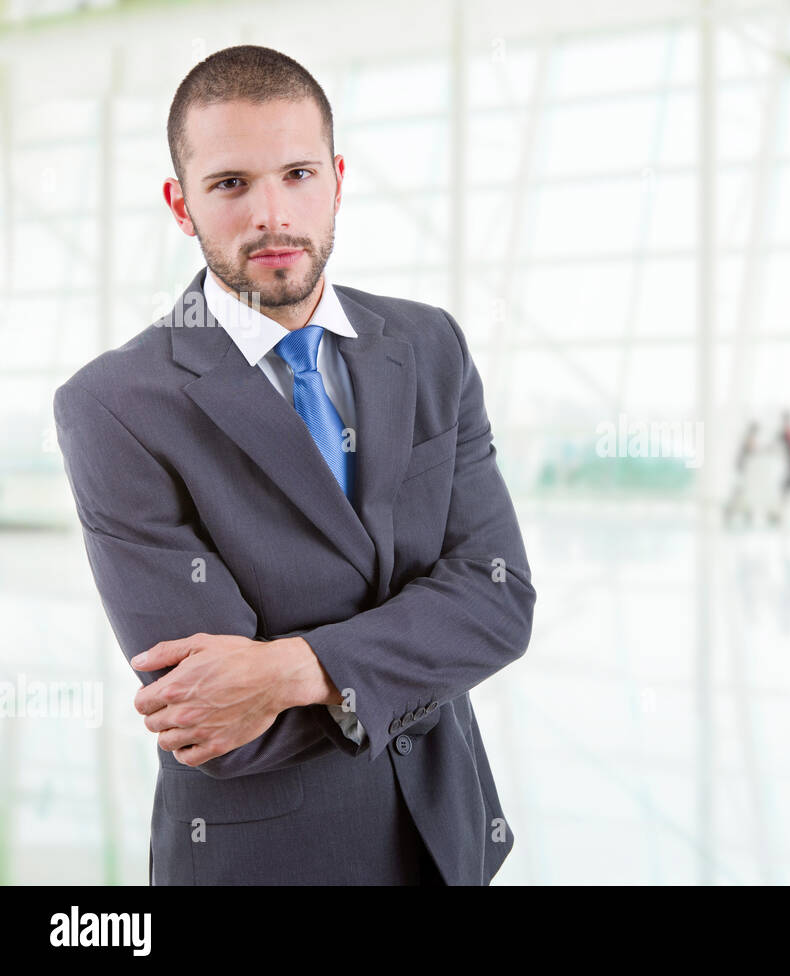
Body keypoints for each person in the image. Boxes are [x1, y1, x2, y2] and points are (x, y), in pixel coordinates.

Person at [51, 45, 536, 885]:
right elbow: (220, 725)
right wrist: (414, 647)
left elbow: (498, 604)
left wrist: (288, 668)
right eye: (231, 184)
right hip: (265, 860)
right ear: (181, 203)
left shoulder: (430, 348)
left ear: (338, 180)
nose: (273, 215)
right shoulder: (115, 405)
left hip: (450, 841)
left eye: (299, 174)